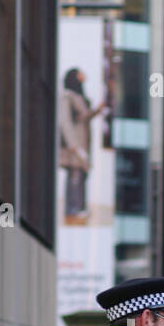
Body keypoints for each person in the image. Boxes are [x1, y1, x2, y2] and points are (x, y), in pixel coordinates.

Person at [58, 67, 106, 220]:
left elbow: (83, 116)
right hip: (74, 143)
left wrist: (97, 111)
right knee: (75, 174)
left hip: (82, 142)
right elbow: (65, 121)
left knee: (81, 173)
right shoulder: (67, 96)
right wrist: (72, 144)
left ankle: (78, 207)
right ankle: (73, 208)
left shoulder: (78, 96)